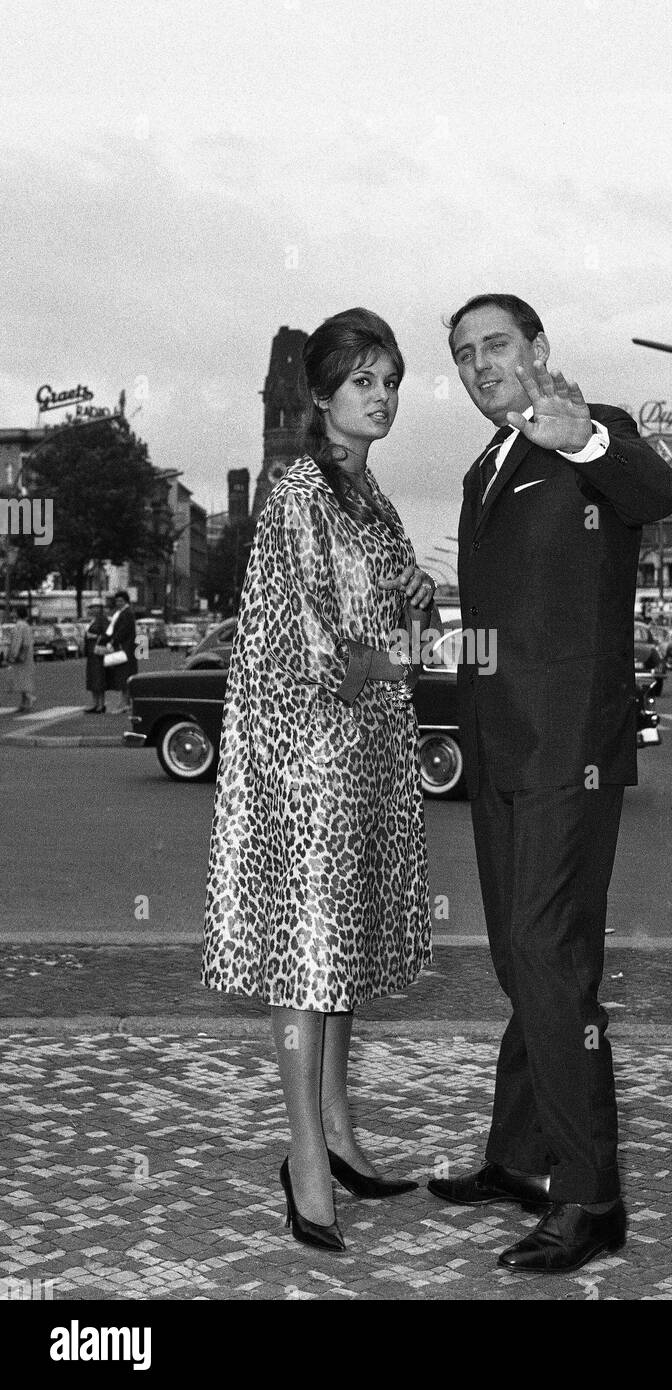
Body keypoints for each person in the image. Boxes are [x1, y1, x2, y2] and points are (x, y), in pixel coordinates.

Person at [427, 293, 672, 1273]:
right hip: (499, 758)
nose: (481, 364)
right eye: (464, 355)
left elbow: (656, 493)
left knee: (547, 961)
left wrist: (583, 443)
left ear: (537, 350)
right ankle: (518, 1156)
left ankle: (590, 1197)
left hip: (569, 755)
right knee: (522, 959)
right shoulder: (478, 472)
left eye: (496, 344)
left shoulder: (593, 434)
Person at [202, 308, 437, 1254]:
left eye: (390, 382)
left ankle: (338, 1132)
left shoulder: (370, 497)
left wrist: (415, 602)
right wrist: (397, 658)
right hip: (309, 763)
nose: (380, 398)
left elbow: (396, 631)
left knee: (339, 956)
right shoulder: (301, 487)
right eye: (362, 383)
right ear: (321, 397)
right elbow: (311, 643)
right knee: (306, 961)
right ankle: (304, 1160)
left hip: (366, 753)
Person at [103, 591, 137, 714]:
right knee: (125, 676)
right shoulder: (123, 613)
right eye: (117, 601)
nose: (118, 603)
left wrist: (112, 642)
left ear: (126, 601)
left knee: (124, 676)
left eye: (121, 601)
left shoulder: (126, 613)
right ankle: (126, 702)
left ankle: (124, 703)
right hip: (126, 649)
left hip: (125, 649)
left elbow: (122, 631)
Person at [4, 606, 36, 713]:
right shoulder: (24, 625)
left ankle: (29, 698)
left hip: (21, 656)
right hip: (25, 655)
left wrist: (16, 655)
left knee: (21, 679)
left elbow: (22, 642)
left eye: (14, 611)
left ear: (18, 613)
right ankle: (24, 703)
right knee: (22, 679)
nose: (13, 613)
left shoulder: (20, 626)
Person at [83, 602, 108, 713]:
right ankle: (95, 703)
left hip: (98, 654)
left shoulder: (102, 620)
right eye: (91, 607)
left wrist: (94, 636)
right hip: (92, 653)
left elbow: (107, 634)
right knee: (93, 679)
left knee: (99, 678)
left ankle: (101, 704)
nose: (92, 610)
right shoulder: (93, 620)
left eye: (94, 607)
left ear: (99, 609)